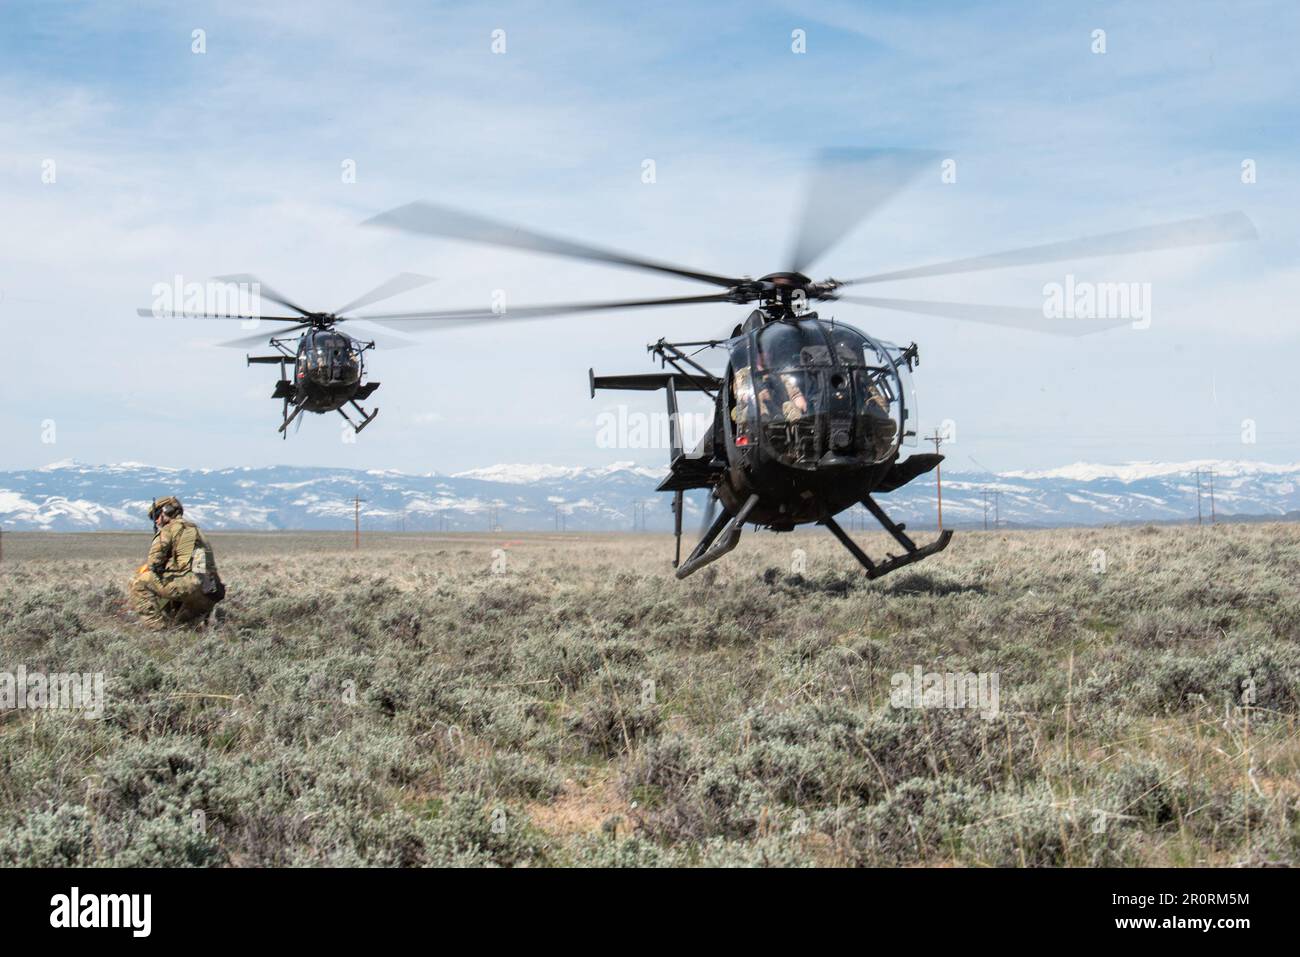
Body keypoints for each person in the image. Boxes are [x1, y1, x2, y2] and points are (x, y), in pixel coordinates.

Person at [127, 496, 225, 630]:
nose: (156, 521)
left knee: (139, 582)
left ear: (166, 511)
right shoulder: (197, 530)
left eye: (156, 515)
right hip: (212, 589)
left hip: (190, 585)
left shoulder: (168, 530)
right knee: (181, 627)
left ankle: (158, 631)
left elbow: (154, 563)